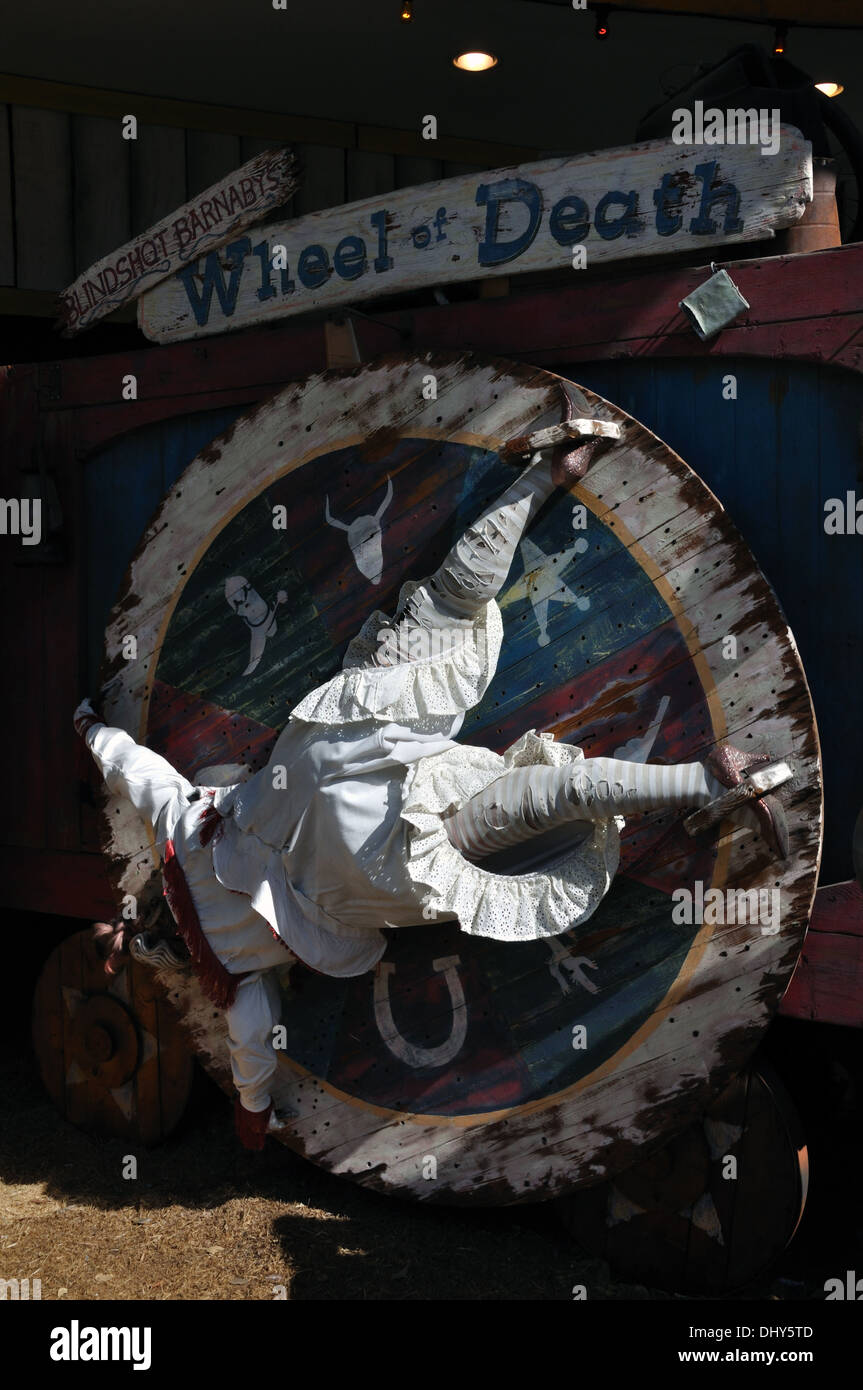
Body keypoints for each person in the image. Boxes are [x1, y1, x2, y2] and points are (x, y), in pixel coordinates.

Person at [75, 420, 791, 1148]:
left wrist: (251, 1116)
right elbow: (137, 770)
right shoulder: (182, 833)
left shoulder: (232, 978)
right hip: (324, 763)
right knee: (442, 613)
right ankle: (549, 472)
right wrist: (87, 728)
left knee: (526, 802)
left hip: (364, 873)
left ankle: (704, 778)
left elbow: (252, 1043)